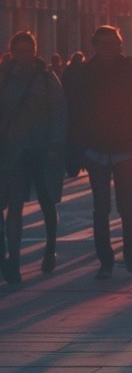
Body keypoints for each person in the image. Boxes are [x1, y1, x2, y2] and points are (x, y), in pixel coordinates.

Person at [67, 26, 132, 279]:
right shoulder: (86, 73)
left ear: (120, 44)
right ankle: (105, 259)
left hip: (125, 146)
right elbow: (77, 111)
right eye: (103, 44)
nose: (108, 49)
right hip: (96, 149)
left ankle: (130, 252)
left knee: (127, 205)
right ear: (95, 45)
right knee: (101, 207)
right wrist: (79, 147)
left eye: (112, 43)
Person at [0, 32, 68, 283]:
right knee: (14, 207)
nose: (24, 55)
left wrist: (56, 145)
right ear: (12, 52)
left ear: (35, 51)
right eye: (19, 50)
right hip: (12, 151)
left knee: (47, 201)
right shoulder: (4, 77)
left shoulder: (46, 78)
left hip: (41, 150)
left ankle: (50, 248)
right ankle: (13, 261)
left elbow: (60, 112)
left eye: (28, 50)